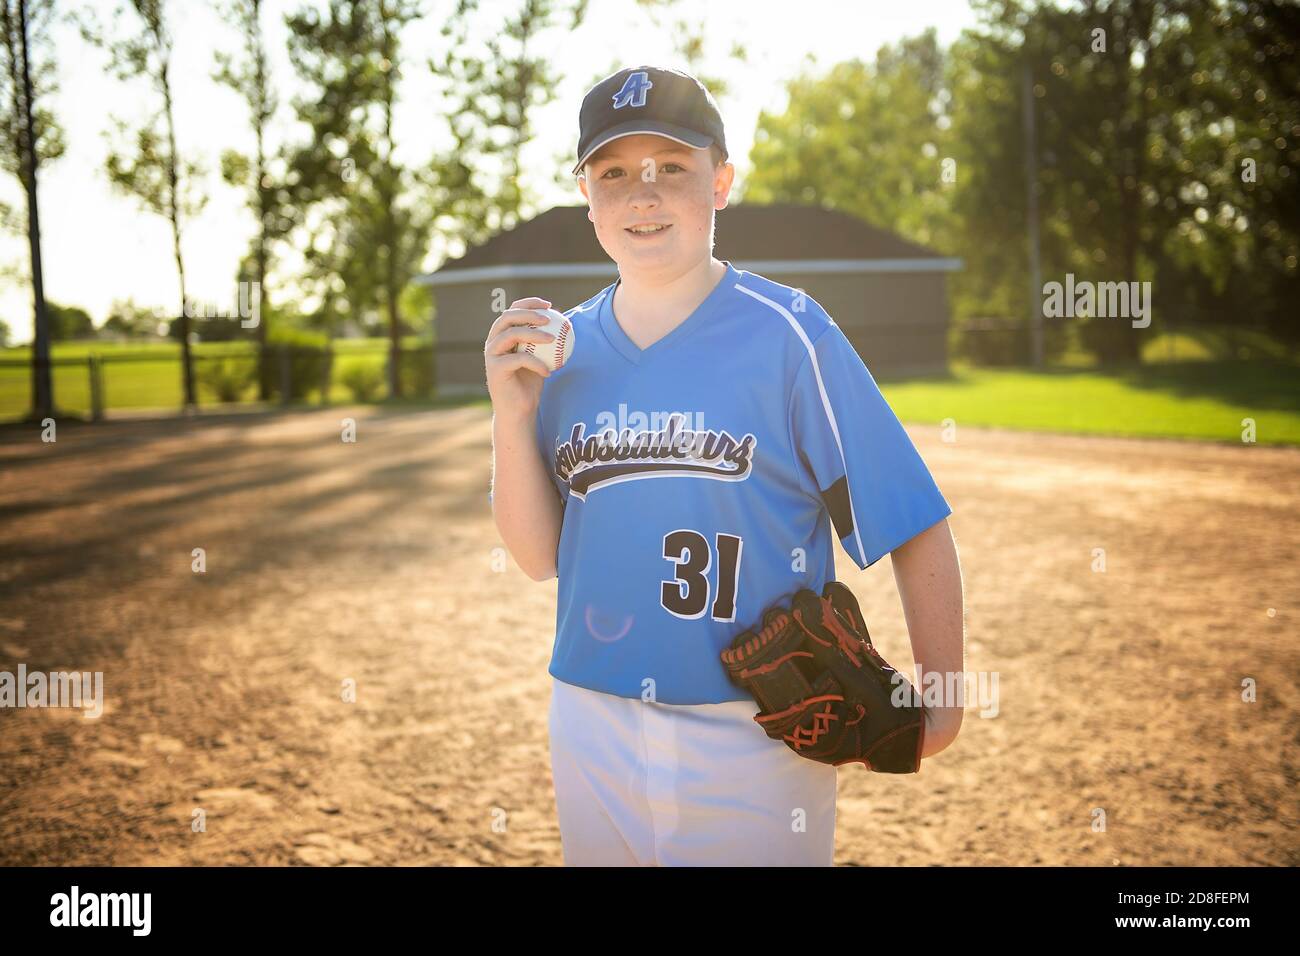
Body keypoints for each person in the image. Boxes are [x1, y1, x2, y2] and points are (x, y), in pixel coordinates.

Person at [485, 66, 965, 866]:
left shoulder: (790, 335)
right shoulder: (560, 356)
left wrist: (943, 703)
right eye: (614, 173)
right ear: (586, 195)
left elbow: (912, 522)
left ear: (721, 181)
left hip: (757, 730)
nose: (643, 194)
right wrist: (511, 417)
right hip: (589, 719)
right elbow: (538, 559)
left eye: (670, 167)